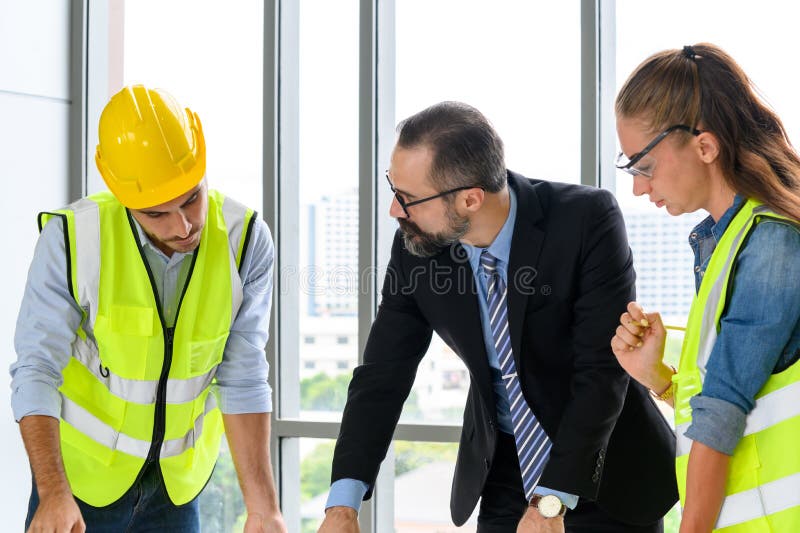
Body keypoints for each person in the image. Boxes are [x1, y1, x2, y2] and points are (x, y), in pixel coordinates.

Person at [318, 101, 677, 533]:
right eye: (394, 190)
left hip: (607, 468)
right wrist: (343, 503)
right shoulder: (416, 249)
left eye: (408, 198)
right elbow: (381, 375)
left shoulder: (585, 220)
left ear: (470, 198)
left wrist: (551, 502)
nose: (395, 211)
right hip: (504, 469)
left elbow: (601, 374)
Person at [11, 85, 287, 533]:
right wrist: (53, 494)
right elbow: (36, 369)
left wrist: (263, 509)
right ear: (121, 195)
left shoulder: (246, 240)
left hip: (175, 493)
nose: (183, 226)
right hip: (81, 488)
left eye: (191, 198)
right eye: (156, 213)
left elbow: (243, 375)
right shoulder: (71, 240)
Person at [612, 43, 800, 532]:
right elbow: (753, 399)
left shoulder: (771, 246)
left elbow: (721, 421)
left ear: (705, 147)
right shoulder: (728, 245)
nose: (637, 186)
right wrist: (660, 379)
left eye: (644, 166)